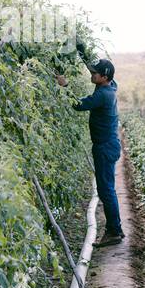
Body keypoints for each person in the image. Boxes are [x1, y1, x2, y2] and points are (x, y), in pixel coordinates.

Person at [57, 57, 123, 246]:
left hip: (104, 147)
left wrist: (65, 85)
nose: (91, 74)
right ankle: (116, 228)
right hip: (107, 144)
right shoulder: (110, 85)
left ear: (104, 77)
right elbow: (98, 72)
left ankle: (114, 232)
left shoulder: (103, 94)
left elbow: (78, 105)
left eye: (95, 73)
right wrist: (81, 50)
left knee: (106, 190)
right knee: (107, 188)